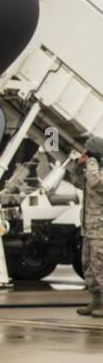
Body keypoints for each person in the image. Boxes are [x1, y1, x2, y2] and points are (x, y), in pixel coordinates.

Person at [67, 135, 103, 317]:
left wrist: (91, 163)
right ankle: (96, 301)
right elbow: (77, 181)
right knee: (88, 266)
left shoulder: (98, 173)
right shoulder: (91, 172)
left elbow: (97, 184)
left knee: (100, 267)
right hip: (89, 227)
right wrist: (78, 164)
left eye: (87, 152)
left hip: (100, 229)